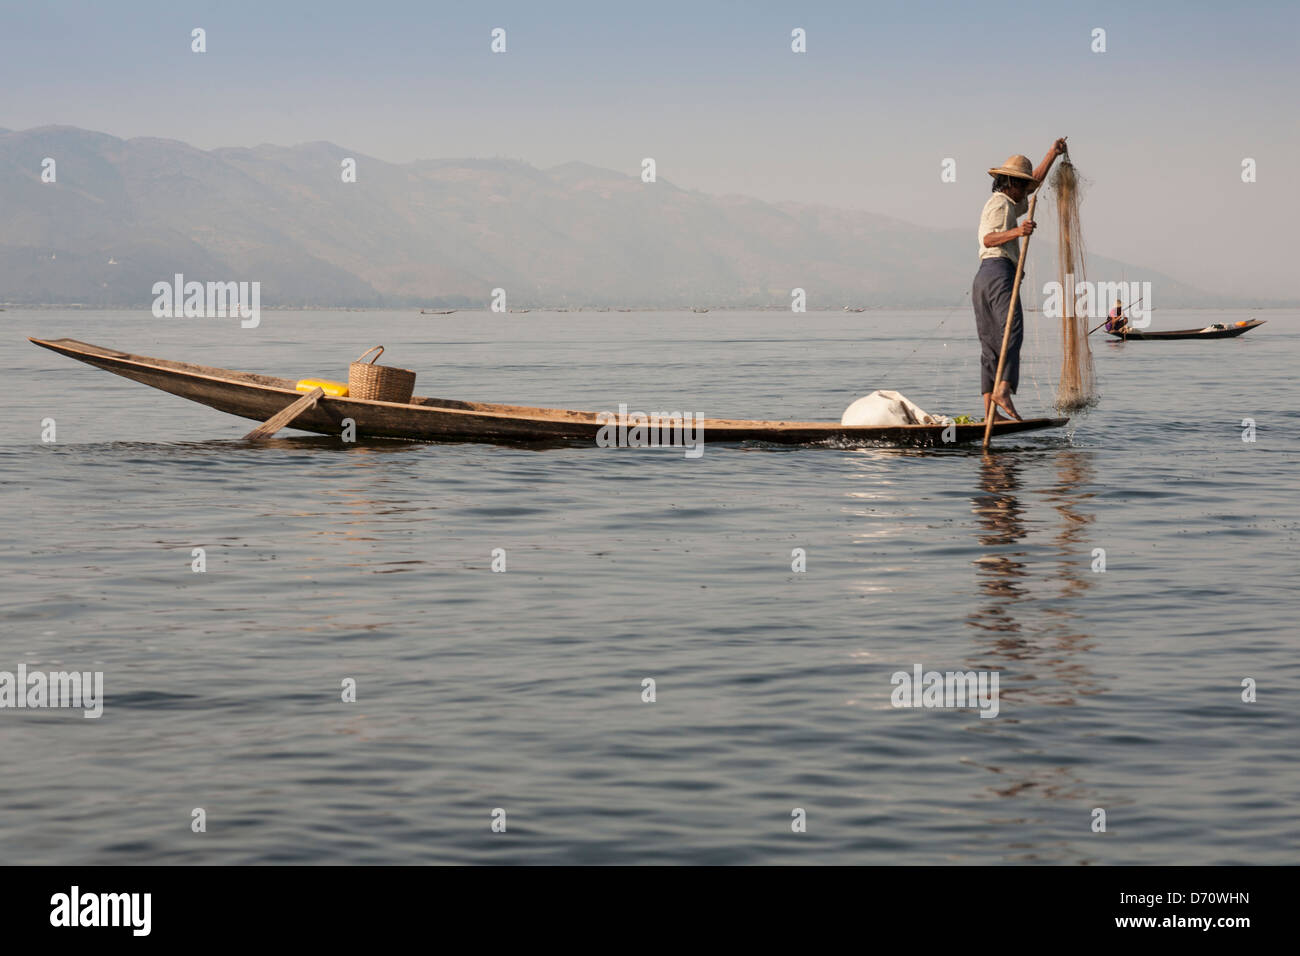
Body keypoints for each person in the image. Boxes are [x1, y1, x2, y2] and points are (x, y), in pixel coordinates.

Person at [973, 138, 1067, 422]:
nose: (1026, 189)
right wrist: (1018, 232)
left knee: (991, 345)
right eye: (1021, 184)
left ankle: (991, 413)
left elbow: (1034, 182)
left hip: (984, 277)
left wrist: (1052, 153)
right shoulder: (1001, 205)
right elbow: (990, 238)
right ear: (1010, 184)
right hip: (998, 271)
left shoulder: (1006, 202)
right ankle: (1004, 389)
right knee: (1012, 330)